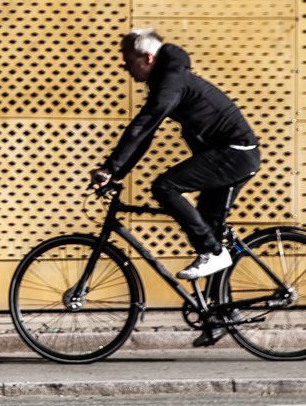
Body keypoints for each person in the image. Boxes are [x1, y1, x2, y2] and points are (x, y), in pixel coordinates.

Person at [90, 29, 259, 282]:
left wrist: (109, 168)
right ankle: (221, 313)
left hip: (234, 154)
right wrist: (116, 172)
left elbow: (142, 126)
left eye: (127, 60)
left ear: (147, 58)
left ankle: (210, 251)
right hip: (226, 154)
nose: (124, 66)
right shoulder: (167, 80)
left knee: (165, 187)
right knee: (209, 229)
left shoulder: (171, 81)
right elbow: (146, 135)